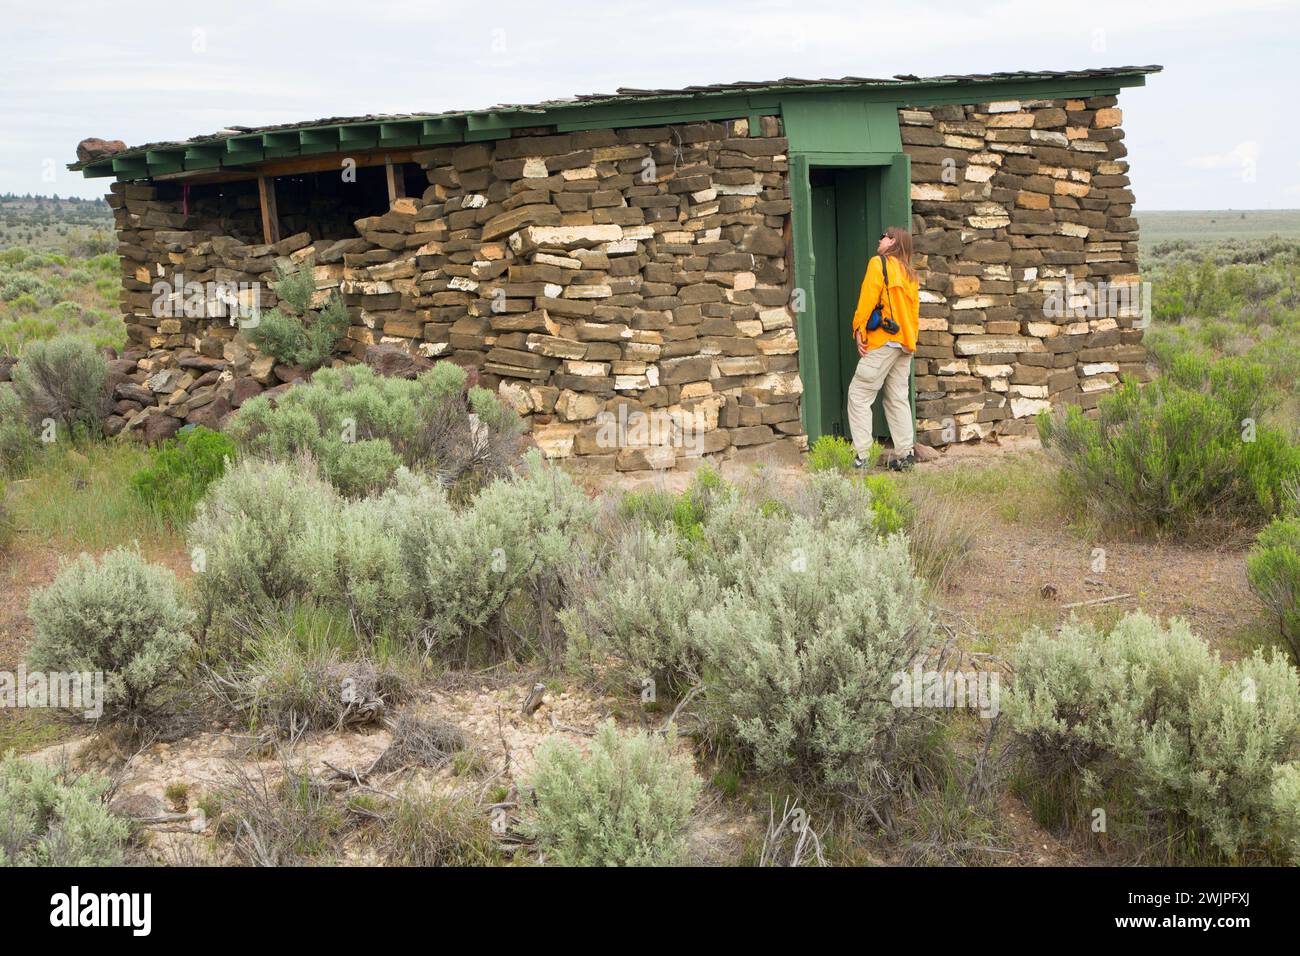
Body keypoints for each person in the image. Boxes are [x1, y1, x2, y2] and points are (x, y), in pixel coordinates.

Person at [847, 225, 921, 471]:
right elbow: (914, 314)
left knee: (858, 395)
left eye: (884, 236)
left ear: (892, 242)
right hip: (904, 344)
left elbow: (868, 298)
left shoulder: (878, 264)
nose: (880, 239)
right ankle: (905, 456)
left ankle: (862, 457)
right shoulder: (910, 273)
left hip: (883, 342)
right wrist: (910, 341)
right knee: (897, 399)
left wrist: (859, 329)